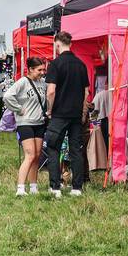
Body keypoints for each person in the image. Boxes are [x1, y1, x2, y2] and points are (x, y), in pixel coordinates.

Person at [42, 31, 89, 198]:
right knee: (76, 150)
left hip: (59, 114)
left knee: (53, 148)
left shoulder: (55, 64)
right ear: (71, 44)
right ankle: (77, 188)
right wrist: (83, 112)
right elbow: (86, 92)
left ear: (57, 44)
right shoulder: (81, 64)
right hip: (76, 114)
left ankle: (55, 187)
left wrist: (49, 110)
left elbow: (51, 92)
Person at [3, 56, 49, 195]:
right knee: (29, 155)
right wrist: (18, 108)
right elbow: (7, 96)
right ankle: (20, 188)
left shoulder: (43, 83)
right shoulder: (22, 82)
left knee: (37, 155)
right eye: (39, 70)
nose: (42, 72)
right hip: (25, 123)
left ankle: (34, 187)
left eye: (43, 70)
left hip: (39, 122)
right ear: (30, 69)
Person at [92, 81, 112, 148]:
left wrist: (94, 124)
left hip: (102, 121)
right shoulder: (114, 94)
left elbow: (94, 110)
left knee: (103, 142)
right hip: (113, 121)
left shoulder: (99, 95)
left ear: (105, 85)